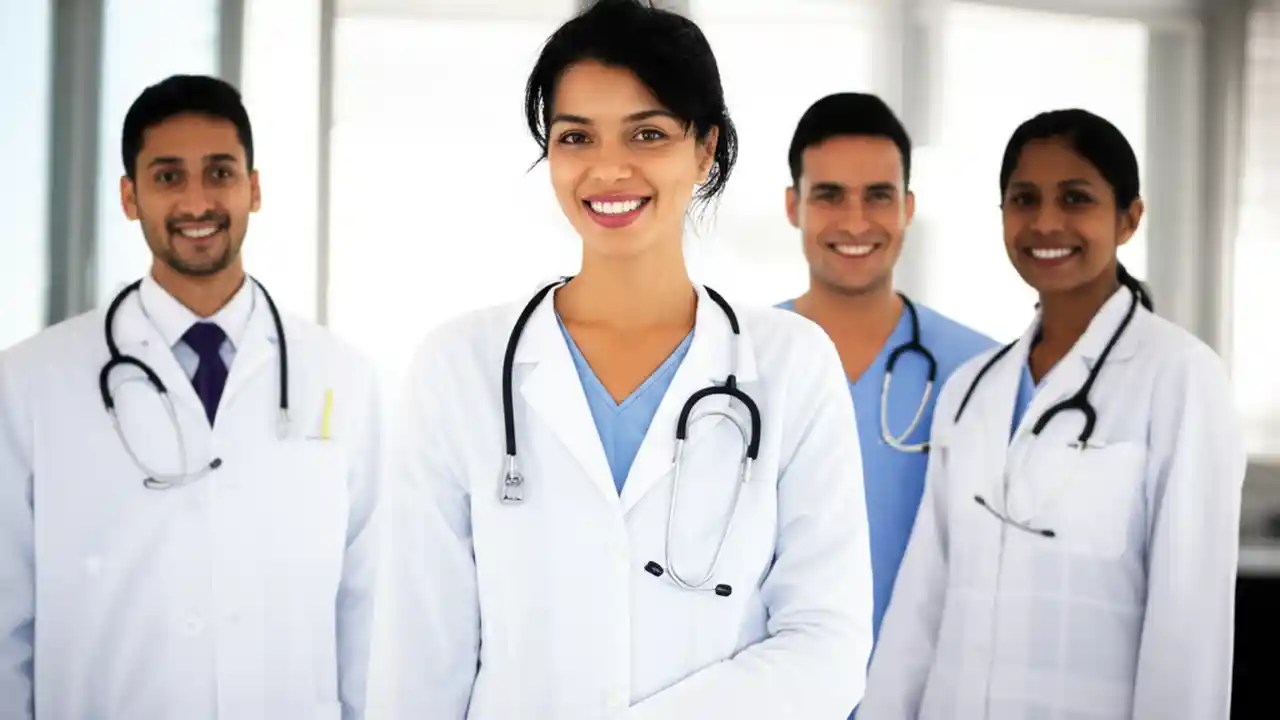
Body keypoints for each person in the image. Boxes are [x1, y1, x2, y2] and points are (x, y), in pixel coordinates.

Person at [388, 1, 872, 717]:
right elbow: (418, 659)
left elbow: (826, 648)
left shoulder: (792, 366)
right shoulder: (459, 366)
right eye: (575, 136)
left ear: (705, 150)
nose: (609, 169)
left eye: (648, 134)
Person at [0, 75, 382, 719]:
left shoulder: (344, 378)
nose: (197, 201)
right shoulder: (31, 382)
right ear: (130, 195)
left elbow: (369, 606)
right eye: (168, 176)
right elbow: (5, 611)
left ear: (253, 189)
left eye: (220, 172)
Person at [859, 109, 1245, 718]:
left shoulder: (1181, 379)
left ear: (1128, 218)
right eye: (1024, 199)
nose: (1045, 222)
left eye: (1076, 198)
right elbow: (921, 604)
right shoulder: (971, 389)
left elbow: (1189, 628)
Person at [778, 93, 996, 654]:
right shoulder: (737, 364)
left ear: (908, 207)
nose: (856, 221)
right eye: (829, 195)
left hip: (931, 689)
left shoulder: (980, 373)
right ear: (793, 206)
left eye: (878, 196)